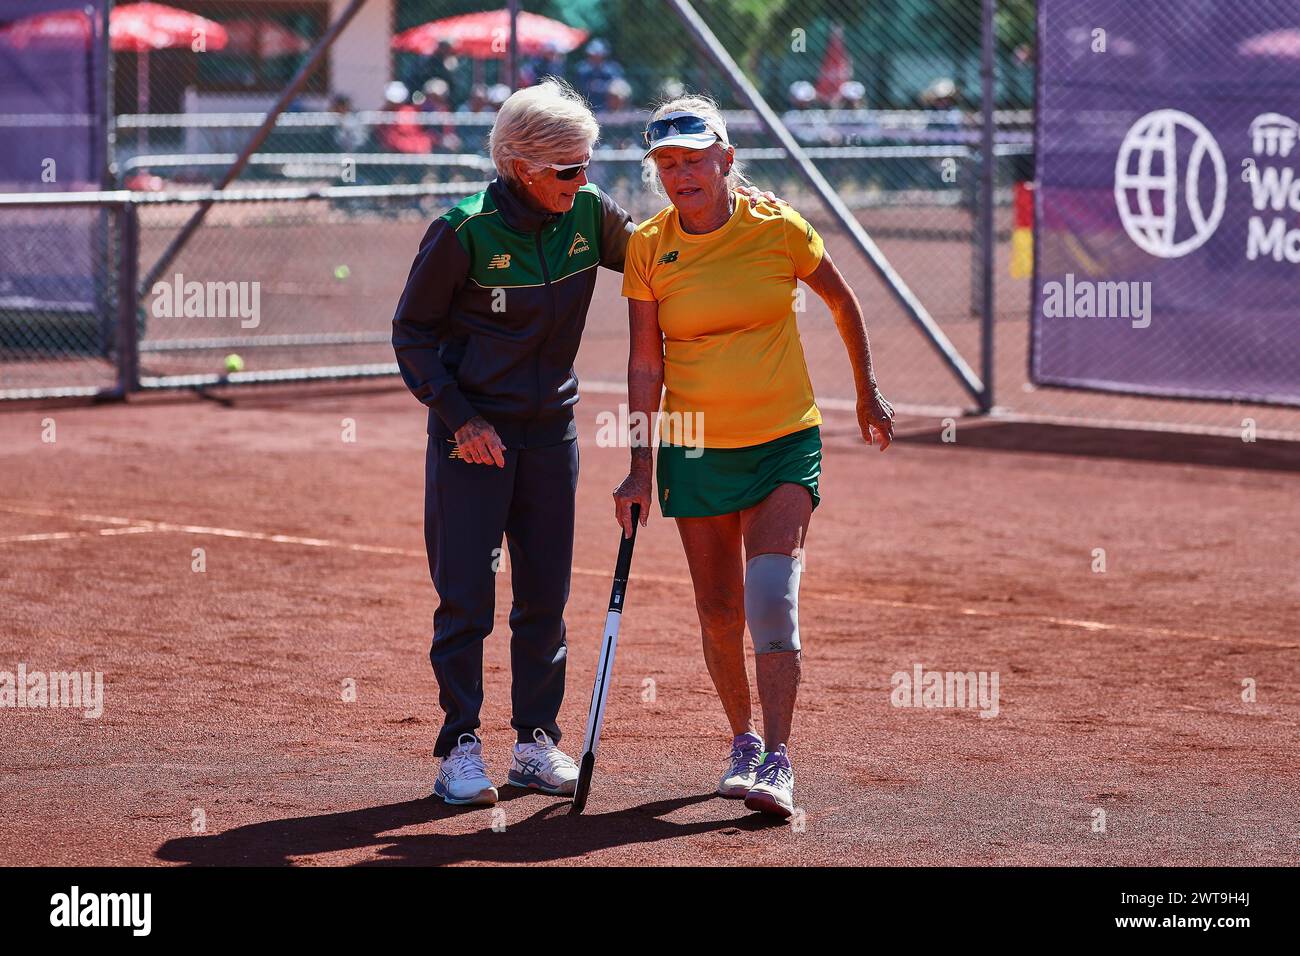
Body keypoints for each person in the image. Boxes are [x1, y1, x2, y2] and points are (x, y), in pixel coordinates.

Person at [391, 80, 779, 807]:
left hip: (551, 435)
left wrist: (738, 233)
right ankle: (460, 747)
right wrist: (458, 417)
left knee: (545, 597)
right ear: (520, 166)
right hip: (472, 439)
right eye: (568, 169)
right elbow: (410, 333)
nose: (584, 180)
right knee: (466, 598)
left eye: (588, 164)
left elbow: (666, 262)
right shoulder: (462, 230)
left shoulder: (589, 217)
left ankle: (536, 742)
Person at [613, 96, 895, 819]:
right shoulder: (649, 245)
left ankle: (777, 759)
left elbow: (841, 301)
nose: (680, 175)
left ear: (726, 159)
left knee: (772, 598)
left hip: (782, 440)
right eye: (666, 165)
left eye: (693, 160)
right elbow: (646, 366)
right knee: (717, 611)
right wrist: (641, 466)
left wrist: (867, 393)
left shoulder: (778, 227)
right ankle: (739, 741)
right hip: (696, 447)